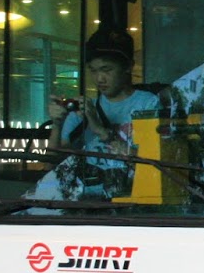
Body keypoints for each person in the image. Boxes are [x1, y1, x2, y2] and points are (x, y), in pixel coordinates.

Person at [30, 28, 160, 203]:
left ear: (129, 66)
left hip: (134, 203)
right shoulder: (83, 112)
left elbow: (156, 165)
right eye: (93, 70)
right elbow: (51, 165)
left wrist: (101, 131)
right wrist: (57, 124)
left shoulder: (149, 104)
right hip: (90, 205)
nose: (99, 78)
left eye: (107, 69)